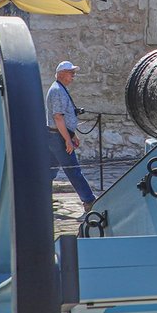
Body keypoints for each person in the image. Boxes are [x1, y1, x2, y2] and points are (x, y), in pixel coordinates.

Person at [47, 60, 97, 211]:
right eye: (71, 73)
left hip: (55, 135)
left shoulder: (59, 89)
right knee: (72, 169)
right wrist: (67, 140)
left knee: (49, 170)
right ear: (62, 74)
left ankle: (40, 198)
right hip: (58, 137)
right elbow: (58, 117)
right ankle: (89, 200)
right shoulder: (58, 91)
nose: (73, 76)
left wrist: (72, 134)